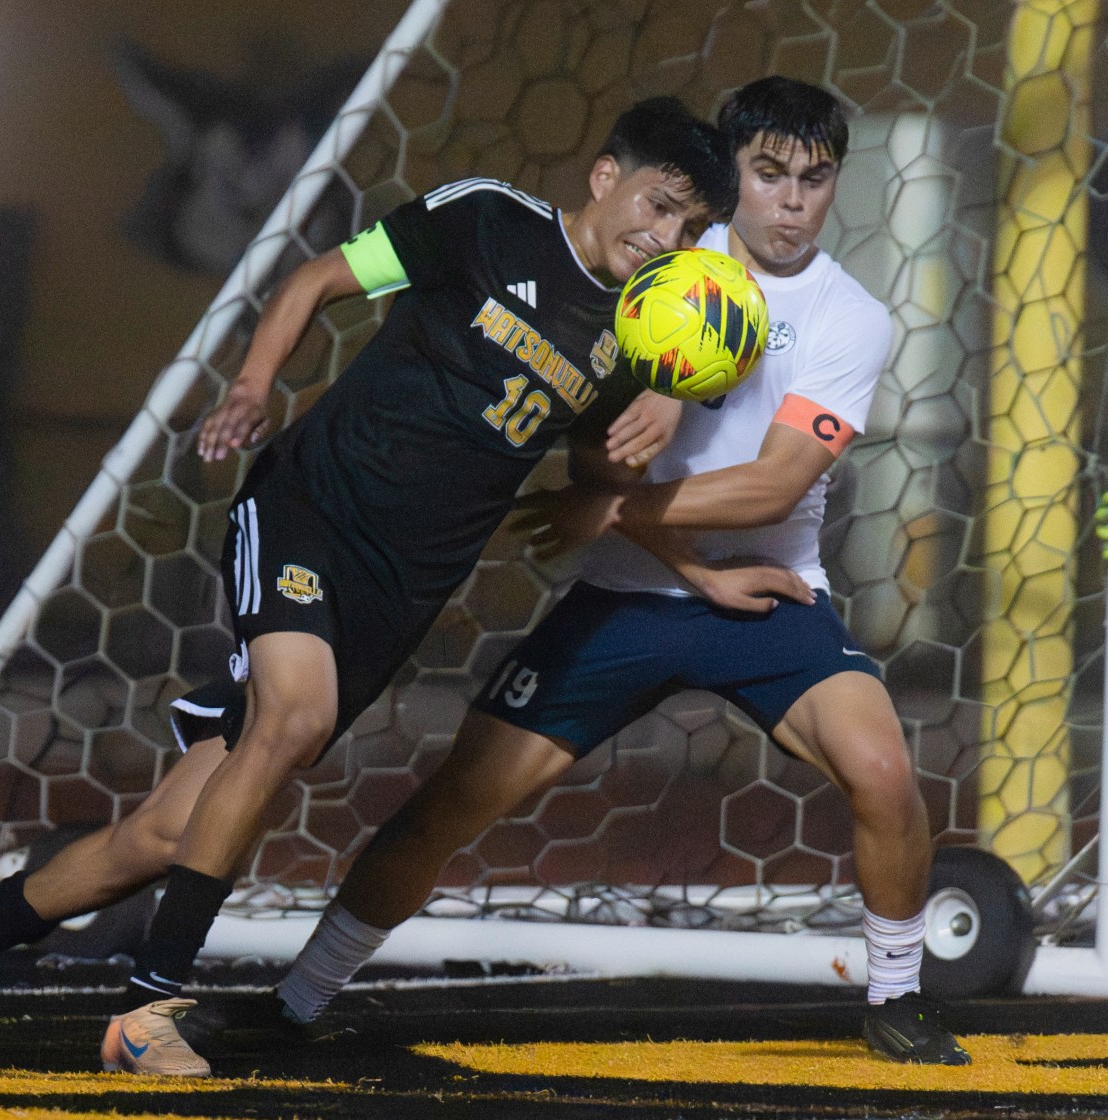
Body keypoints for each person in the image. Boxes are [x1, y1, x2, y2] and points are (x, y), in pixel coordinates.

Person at [0, 97, 751, 1077]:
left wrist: (661, 415)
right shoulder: (486, 219)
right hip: (309, 508)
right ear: (604, 176)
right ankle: (149, 1002)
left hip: (396, 594)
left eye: (686, 226)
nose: (663, 234)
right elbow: (318, 278)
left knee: (160, 833)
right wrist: (252, 384)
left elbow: (596, 479)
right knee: (289, 719)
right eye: (658, 203)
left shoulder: (642, 338)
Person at [253, 76, 971, 1067]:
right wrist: (617, 458)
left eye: (813, 178)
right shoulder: (657, 256)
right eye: (767, 174)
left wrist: (615, 504)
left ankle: (896, 996)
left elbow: (773, 483)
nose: (792, 200)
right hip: (627, 593)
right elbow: (558, 387)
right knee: (454, 798)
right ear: (731, 179)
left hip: (767, 595)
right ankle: (296, 997)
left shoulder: (850, 317)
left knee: (886, 770)